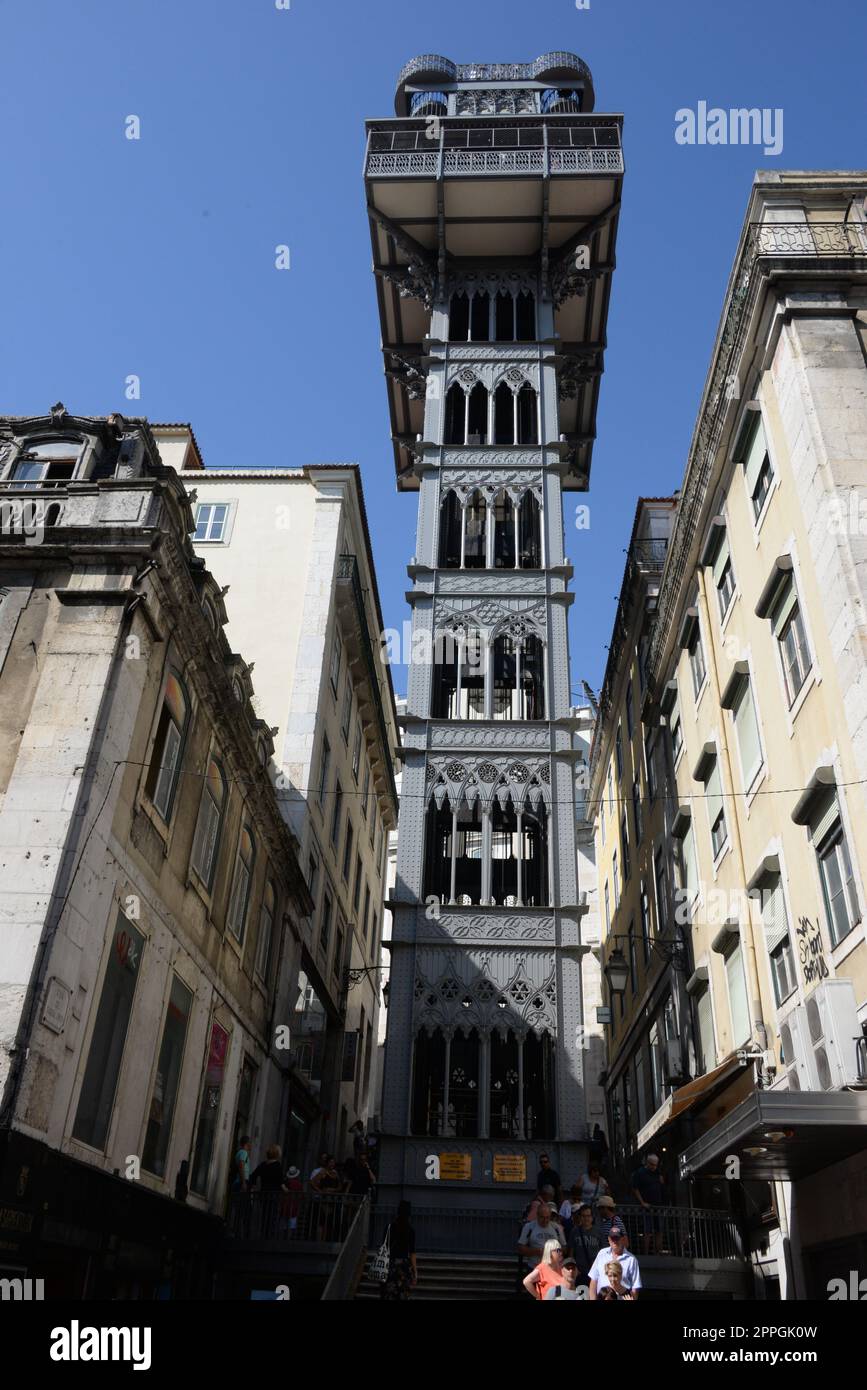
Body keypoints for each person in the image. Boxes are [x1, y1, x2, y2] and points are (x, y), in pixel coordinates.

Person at [588, 1225, 641, 1300]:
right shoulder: (601, 1254)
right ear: (609, 1240)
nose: (615, 1241)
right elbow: (593, 1280)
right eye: (613, 1238)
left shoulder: (631, 1259)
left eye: (617, 1238)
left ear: (622, 1239)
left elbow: (635, 1287)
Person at [380, 1200, 417, 1300]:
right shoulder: (410, 1230)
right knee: (402, 1295)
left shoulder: (389, 1228)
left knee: (388, 1294)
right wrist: (415, 1273)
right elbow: (412, 1253)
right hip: (403, 1268)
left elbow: (383, 1248)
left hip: (389, 1266)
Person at [631, 1152, 666, 1253]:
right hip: (647, 1206)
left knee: (659, 1230)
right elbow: (635, 1188)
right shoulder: (640, 1173)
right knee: (647, 1230)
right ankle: (646, 1252)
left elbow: (662, 1187)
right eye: (652, 1164)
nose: (654, 1167)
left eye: (656, 1165)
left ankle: (658, 1252)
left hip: (658, 1205)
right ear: (648, 1163)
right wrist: (642, 1202)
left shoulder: (657, 1173)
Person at [569, 1203, 601, 1289]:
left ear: (592, 1217)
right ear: (580, 1217)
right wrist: (573, 1268)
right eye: (583, 1216)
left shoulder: (598, 1231)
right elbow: (571, 1253)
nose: (586, 1218)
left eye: (588, 1216)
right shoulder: (574, 1231)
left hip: (595, 1272)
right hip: (580, 1272)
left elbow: (603, 1252)